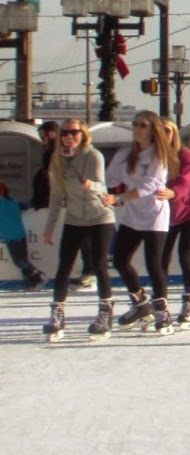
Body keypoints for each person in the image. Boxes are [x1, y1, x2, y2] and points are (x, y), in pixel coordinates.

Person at [41, 119, 116, 342]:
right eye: (65, 132)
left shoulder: (93, 156)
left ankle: (105, 312)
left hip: (100, 216)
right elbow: (56, 197)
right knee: (64, 267)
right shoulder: (57, 160)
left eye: (74, 132)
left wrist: (88, 184)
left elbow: (102, 187)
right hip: (74, 218)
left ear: (83, 134)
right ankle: (57, 314)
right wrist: (49, 228)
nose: (69, 136)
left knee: (99, 265)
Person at [105, 109, 175, 334]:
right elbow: (110, 178)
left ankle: (162, 311)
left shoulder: (158, 156)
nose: (137, 128)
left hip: (154, 215)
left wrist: (121, 197)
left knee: (154, 264)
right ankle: (140, 302)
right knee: (120, 260)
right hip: (132, 215)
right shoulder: (125, 153)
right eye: (135, 124)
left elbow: (149, 187)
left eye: (142, 125)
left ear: (152, 129)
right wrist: (107, 191)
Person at [156, 119, 190, 329]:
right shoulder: (152, 156)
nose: (163, 134)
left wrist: (172, 192)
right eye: (160, 131)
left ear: (174, 133)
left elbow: (185, 181)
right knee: (161, 258)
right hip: (167, 213)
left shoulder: (184, 154)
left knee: (185, 253)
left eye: (167, 130)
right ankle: (160, 303)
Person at [0, 182, 45, 290]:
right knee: (22, 260)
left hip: (12, 238)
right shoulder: (13, 203)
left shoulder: (9, 204)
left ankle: (37, 273)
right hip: (20, 236)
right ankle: (32, 282)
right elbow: (26, 206)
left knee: (19, 261)